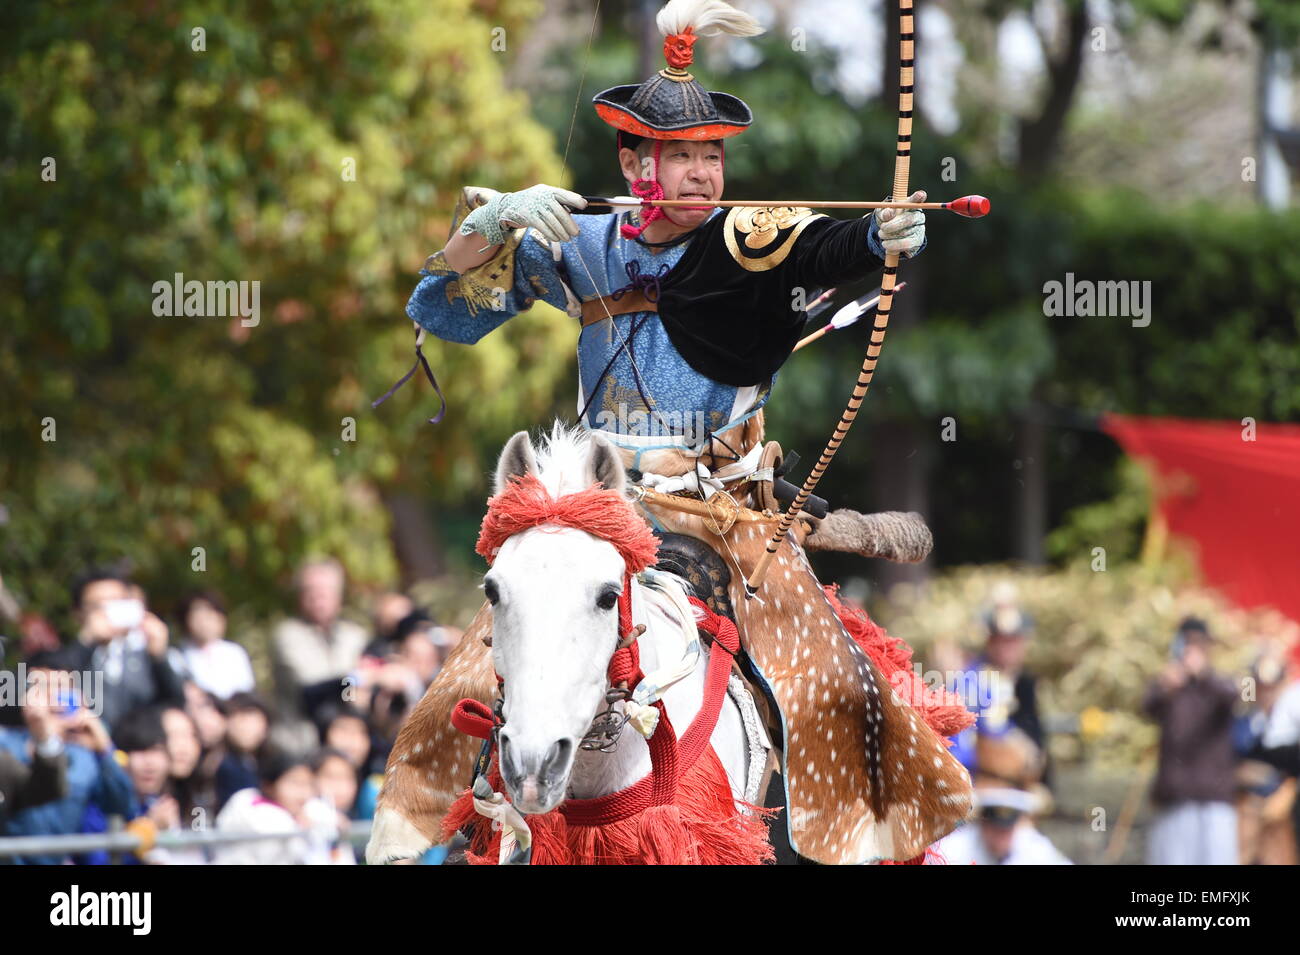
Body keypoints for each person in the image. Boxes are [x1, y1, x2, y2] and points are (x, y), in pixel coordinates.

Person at [0, 650, 135, 864]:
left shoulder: (85, 753)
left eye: (61, 688)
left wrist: (105, 750)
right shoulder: (6, 742)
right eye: (42, 688)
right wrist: (44, 738)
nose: (53, 698)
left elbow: (122, 805)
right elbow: (22, 789)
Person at [1141, 617, 1240, 865]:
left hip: (1214, 798)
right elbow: (1147, 706)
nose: (1191, 650)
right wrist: (1166, 686)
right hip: (1176, 796)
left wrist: (1203, 675)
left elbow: (1234, 698)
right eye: (1187, 643)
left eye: (1198, 644)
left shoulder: (1219, 683)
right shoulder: (1170, 684)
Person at [66, 567, 185, 734]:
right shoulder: (74, 654)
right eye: (97, 606)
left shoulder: (149, 652)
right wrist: (86, 642)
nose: (108, 612)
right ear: (78, 613)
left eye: (116, 602)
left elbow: (175, 703)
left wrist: (159, 657)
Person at [270, 558, 368, 751]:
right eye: (311, 590)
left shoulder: (355, 636)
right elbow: (313, 687)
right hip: (300, 744)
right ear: (300, 596)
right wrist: (360, 678)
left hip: (350, 743)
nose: (319, 596)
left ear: (339, 596)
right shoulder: (287, 635)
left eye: (326, 590)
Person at [213, 750, 349, 865]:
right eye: (294, 783)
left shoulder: (302, 809)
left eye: (309, 784)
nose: (303, 792)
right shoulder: (253, 806)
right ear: (269, 786)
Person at [176, 590, 255, 701]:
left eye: (209, 617)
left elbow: (245, 690)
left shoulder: (234, 653)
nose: (204, 624)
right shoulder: (178, 656)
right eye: (198, 618)